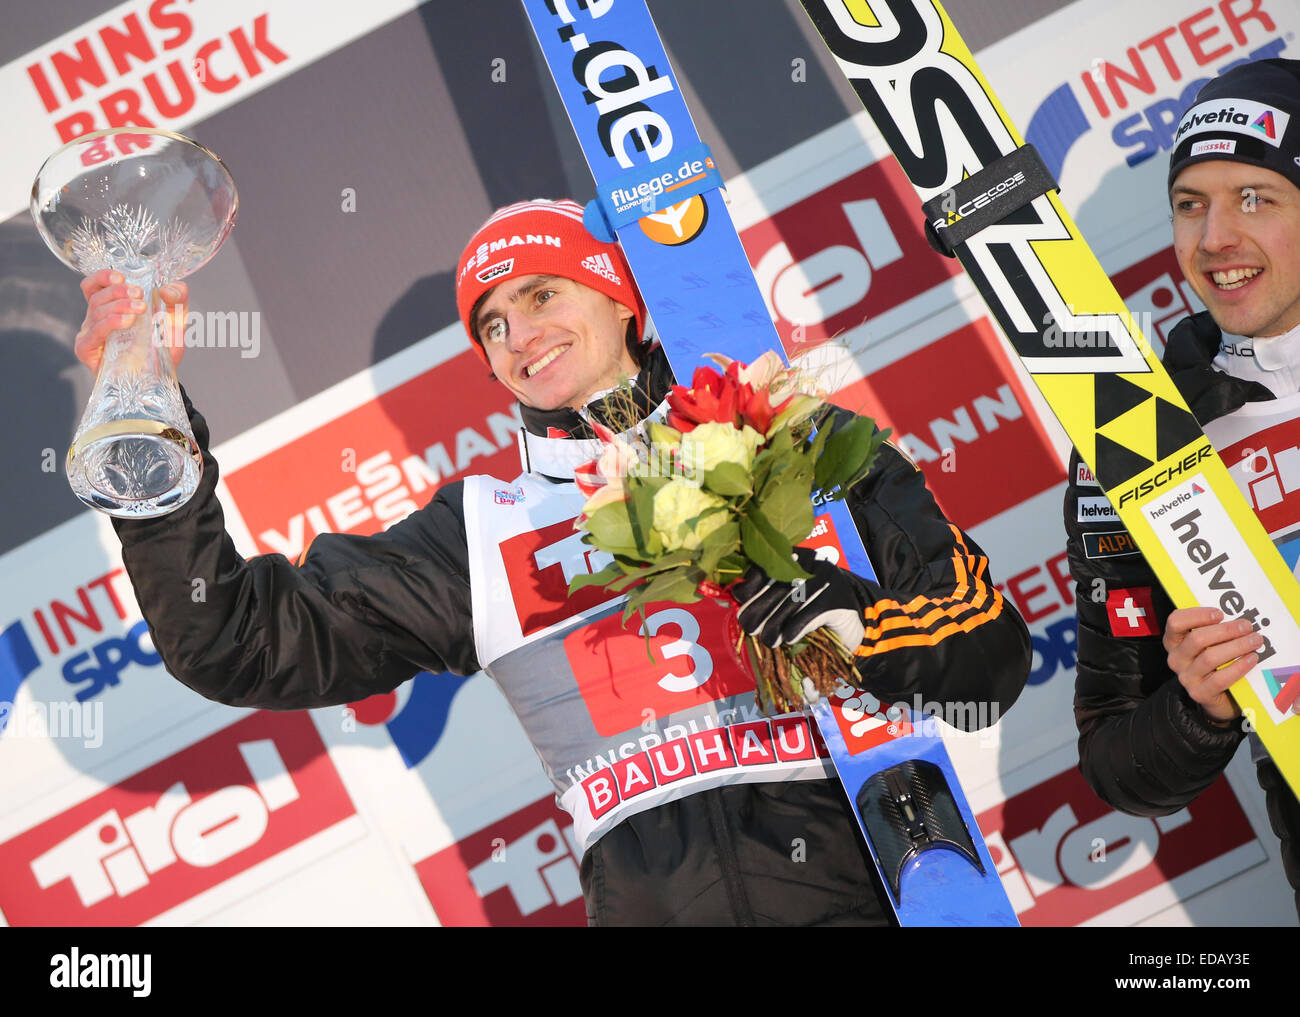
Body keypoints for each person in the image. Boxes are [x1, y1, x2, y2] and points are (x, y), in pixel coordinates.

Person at [78, 197, 1030, 926]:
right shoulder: (481, 535)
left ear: (623, 298)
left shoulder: (799, 435)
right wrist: (143, 407)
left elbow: (989, 657)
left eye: (541, 294)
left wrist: (865, 627)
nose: (518, 335)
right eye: (491, 324)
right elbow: (233, 637)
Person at [1065, 59, 1300, 914]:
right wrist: (1201, 703)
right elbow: (1117, 760)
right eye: (1190, 205)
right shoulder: (1137, 433)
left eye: (1255, 198)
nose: (1215, 241)